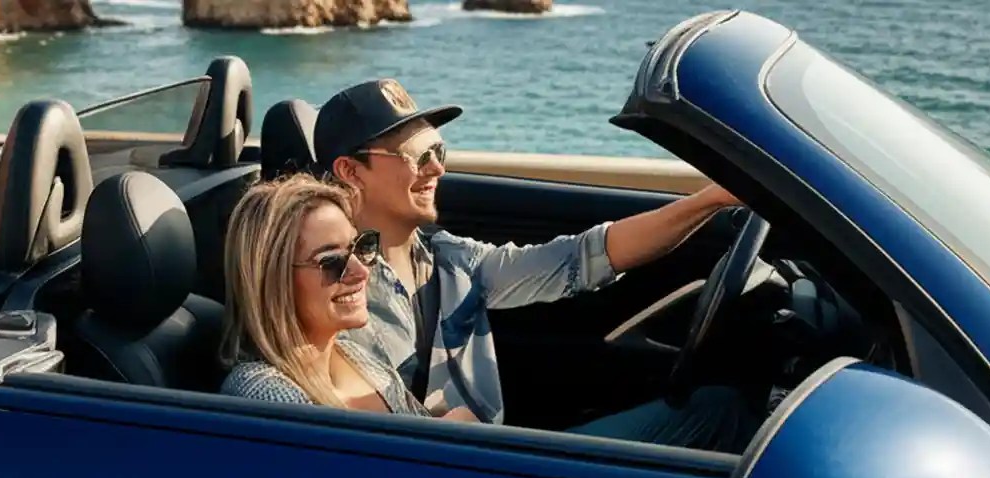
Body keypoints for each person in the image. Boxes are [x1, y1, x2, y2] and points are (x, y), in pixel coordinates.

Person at [311, 78, 760, 452]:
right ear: (351, 172)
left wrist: (713, 199)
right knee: (720, 416)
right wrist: (432, 430)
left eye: (440, 152)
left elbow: (581, 258)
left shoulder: (451, 260)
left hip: (490, 457)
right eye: (418, 157)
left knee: (720, 406)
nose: (437, 170)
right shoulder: (330, 289)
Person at [218, 172, 479, 421]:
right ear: (272, 279)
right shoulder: (267, 395)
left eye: (361, 247)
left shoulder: (353, 355)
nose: (361, 271)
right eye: (331, 261)